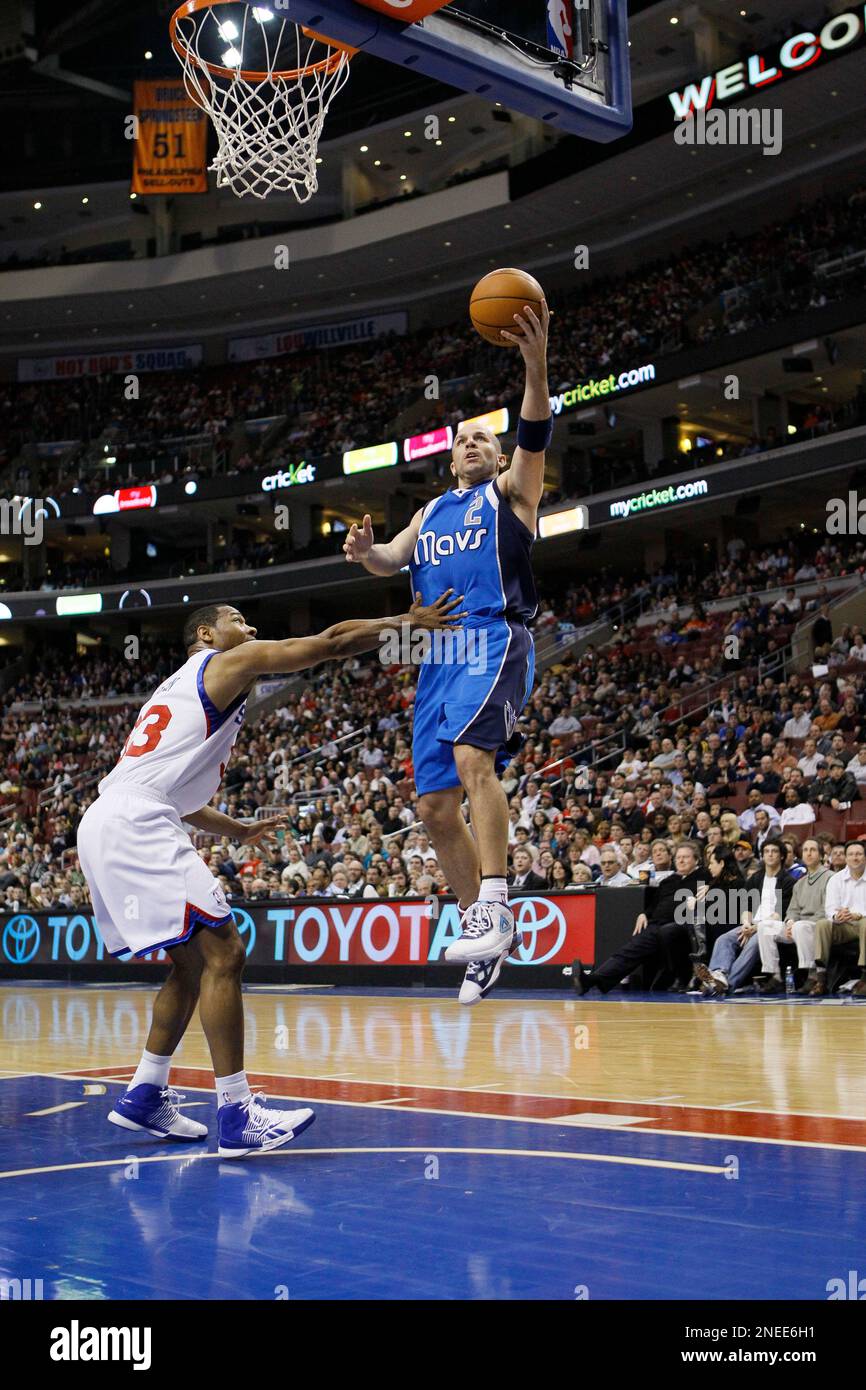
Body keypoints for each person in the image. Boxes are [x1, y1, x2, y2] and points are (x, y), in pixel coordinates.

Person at [76, 594, 459, 1158]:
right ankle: (236, 1113)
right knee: (226, 954)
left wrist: (234, 830)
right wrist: (407, 624)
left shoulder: (177, 688)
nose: (250, 628)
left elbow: (169, 790)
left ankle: (143, 1094)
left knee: (190, 966)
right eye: (238, 620)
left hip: (111, 817)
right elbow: (329, 643)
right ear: (206, 634)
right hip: (136, 821)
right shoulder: (223, 664)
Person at [344, 299, 552, 1007]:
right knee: (434, 808)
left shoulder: (512, 495)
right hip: (435, 658)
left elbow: (534, 430)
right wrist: (368, 553)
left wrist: (535, 366)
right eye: (461, 438)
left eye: (481, 438)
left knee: (474, 761)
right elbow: (390, 560)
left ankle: (497, 901)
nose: (470, 444)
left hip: (494, 637)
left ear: (497, 456)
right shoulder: (430, 514)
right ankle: (484, 935)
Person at [572, 843, 701, 994]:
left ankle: (681, 978)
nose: (681, 861)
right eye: (678, 857)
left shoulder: (703, 877)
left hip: (684, 925)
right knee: (630, 949)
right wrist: (644, 914)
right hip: (656, 924)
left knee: (668, 932)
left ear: (696, 860)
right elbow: (655, 904)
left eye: (685, 857)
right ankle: (592, 981)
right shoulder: (669, 880)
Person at [694, 840, 795, 996]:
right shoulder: (756, 878)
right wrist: (746, 924)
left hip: (773, 927)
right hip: (752, 924)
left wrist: (755, 928)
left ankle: (728, 983)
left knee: (755, 941)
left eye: (774, 851)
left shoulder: (788, 881)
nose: (770, 854)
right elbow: (746, 907)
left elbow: (779, 912)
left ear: (781, 856)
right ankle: (718, 974)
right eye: (766, 851)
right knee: (724, 939)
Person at [756, 838, 831, 994]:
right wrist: (790, 922)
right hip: (798, 927)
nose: (808, 853)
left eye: (813, 850)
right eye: (805, 850)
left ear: (822, 855)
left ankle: (813, 976)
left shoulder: (830, 877)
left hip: (819, 925)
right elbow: (792, 909)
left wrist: (797, 924)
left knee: (801, 926)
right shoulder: (799, 883)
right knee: (765, 926)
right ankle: (775, 976)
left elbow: (826, 909)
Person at [807, 840, 866, 997]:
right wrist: (837, 916)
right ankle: (821, 978)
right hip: (844, 925)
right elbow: (830, 909)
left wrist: (858, 914)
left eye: (859, 854)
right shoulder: (836, 879)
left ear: (865, 857)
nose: (855, 858)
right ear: (846, 858)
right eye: (851, 854)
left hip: (863, 923)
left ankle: (864, 977)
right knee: (822, 924)